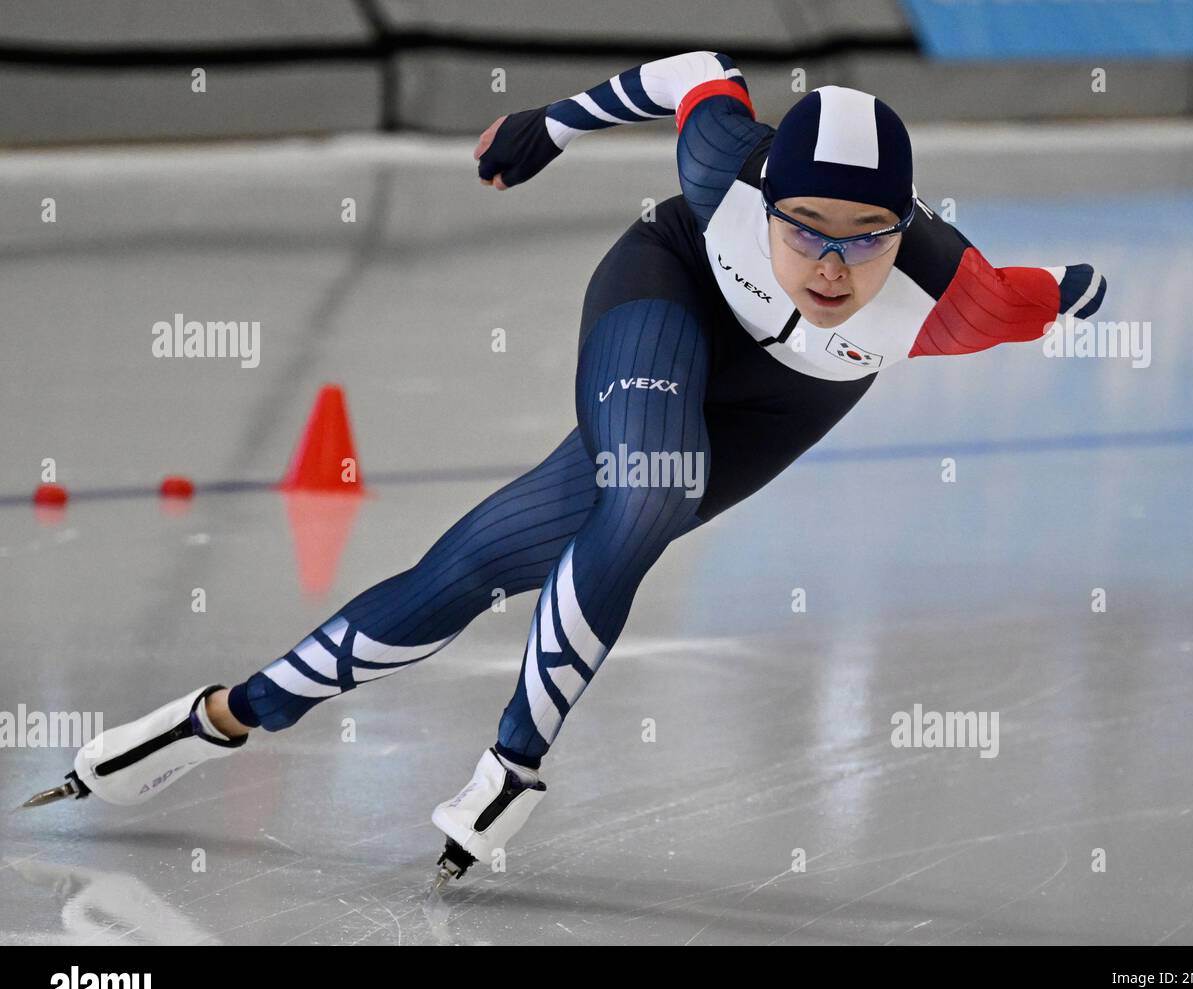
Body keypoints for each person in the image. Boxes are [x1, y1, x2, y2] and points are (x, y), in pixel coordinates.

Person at [27, 51, 1106, 886]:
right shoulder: (723, 166)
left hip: (786, 404)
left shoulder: (956, 298)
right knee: (651, 486)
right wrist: (547, 123)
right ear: (763, 194)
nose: (831, 264)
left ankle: (221, 715)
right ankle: (513, 767)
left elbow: (1043, 290)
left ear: (905, 225)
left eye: (865, 238)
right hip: (665, 292)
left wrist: (1072, 289)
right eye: (804, 227)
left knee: (473, 569)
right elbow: (692, 73)